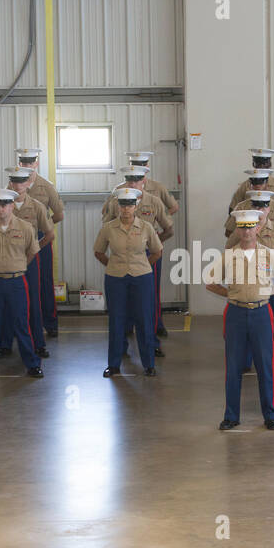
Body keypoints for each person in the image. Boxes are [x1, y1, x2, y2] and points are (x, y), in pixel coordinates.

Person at [207, 209, 274, 431]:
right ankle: (231, 416)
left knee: (265, 366)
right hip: (236, 314)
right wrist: (231, 294)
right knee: (234, 367)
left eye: (251, 227)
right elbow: (210, 282)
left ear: (258, 228)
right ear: (237, 229)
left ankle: (270, 415)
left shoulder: (269, 255)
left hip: (261, 314)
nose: (247, 232)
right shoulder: (228, 255)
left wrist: (268, 292)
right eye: (243, 227)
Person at [101, 166, 172, 359]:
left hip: (147, 254)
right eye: (130, 180)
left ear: (144, 180)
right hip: (121, 257)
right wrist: (113, 263)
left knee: (147, 304)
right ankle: (122, 345)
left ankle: (152, 345)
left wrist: (152, 246)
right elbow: (106, 226)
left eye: (137, 180)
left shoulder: (154, 201)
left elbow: (168, 228)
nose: (133, 183)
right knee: (120, 307)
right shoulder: (116, 201)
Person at [0, 189, 43, 379]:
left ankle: (32, 363)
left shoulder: (26, 228)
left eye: (4, 205)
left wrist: (17, 266)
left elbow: (32, 252)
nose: (0, 209)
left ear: (12, 206)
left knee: (21, 324)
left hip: (17, 282)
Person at [93, 187, 163, 377]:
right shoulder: (108, 228)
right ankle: (114, 365)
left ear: (136, 206)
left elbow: (157, 251)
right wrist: (113, 265)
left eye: (130, 205)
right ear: (118, 206)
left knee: (144, 320)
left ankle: (149, 364)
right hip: (116, 279)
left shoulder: (146, 227)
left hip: (142, 278)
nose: (126, 209)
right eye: (123, 205)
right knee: (116, 320)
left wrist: (143, 266)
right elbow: (98, 251)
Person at [225, 189, 274, 373]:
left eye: (263, 207)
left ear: (269, 209)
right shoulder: (244, 229)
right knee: (247, 325)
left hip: (270, 283)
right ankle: (246, 361)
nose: (260, 210)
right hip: (249, 282)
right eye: (256, 206)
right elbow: (228, 248)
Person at [4, 166, 55, 359]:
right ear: (10, 183)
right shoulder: (3, 205)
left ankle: (38, 344)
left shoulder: (37, 206)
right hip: (8, 260)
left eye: (21, 182)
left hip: (30, 260)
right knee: (7, 302)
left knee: (33, 300)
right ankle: (6, 343)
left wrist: (35, 249)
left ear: (28, 183)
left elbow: (49, 234)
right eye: (14, 181)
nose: (17, 186)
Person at [14, 147, 64, 338]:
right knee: (20, 281)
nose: (26, 166)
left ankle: (50, 323)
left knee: (44, 281)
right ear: (20, 164)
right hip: (17, 242)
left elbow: (59, 214)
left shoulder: (46, 186)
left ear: (36, 163)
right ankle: (23, 323)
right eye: (23, 163)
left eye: (30, 162)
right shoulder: (13, 186)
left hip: (41, 238)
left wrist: (44, 227)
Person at [128, 150, 178, 338]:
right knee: (128, 286)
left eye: (141, 165)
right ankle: (130, 323)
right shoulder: (121, 190)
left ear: (146, 168)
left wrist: (158, 224)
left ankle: (156, 323)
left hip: (151, 243)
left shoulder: (157, 188)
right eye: (134, 164)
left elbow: (174, 207)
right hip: (129, 245)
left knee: (151, 287)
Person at [225, 168, 274, 241]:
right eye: (254, 183)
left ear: (266, 185)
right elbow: (228, 233)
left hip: (271, 246)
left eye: (261, 183)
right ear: (251, 185)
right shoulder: (241, 207)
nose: (257, 186)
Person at [227, 148, 274, 217]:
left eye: (265, 163)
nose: (261, 166)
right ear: (253, 164)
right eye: (258, 163)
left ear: (270, 164)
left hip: (272, 226)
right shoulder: (245, 185)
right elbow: (232, 210)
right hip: (251, 226)